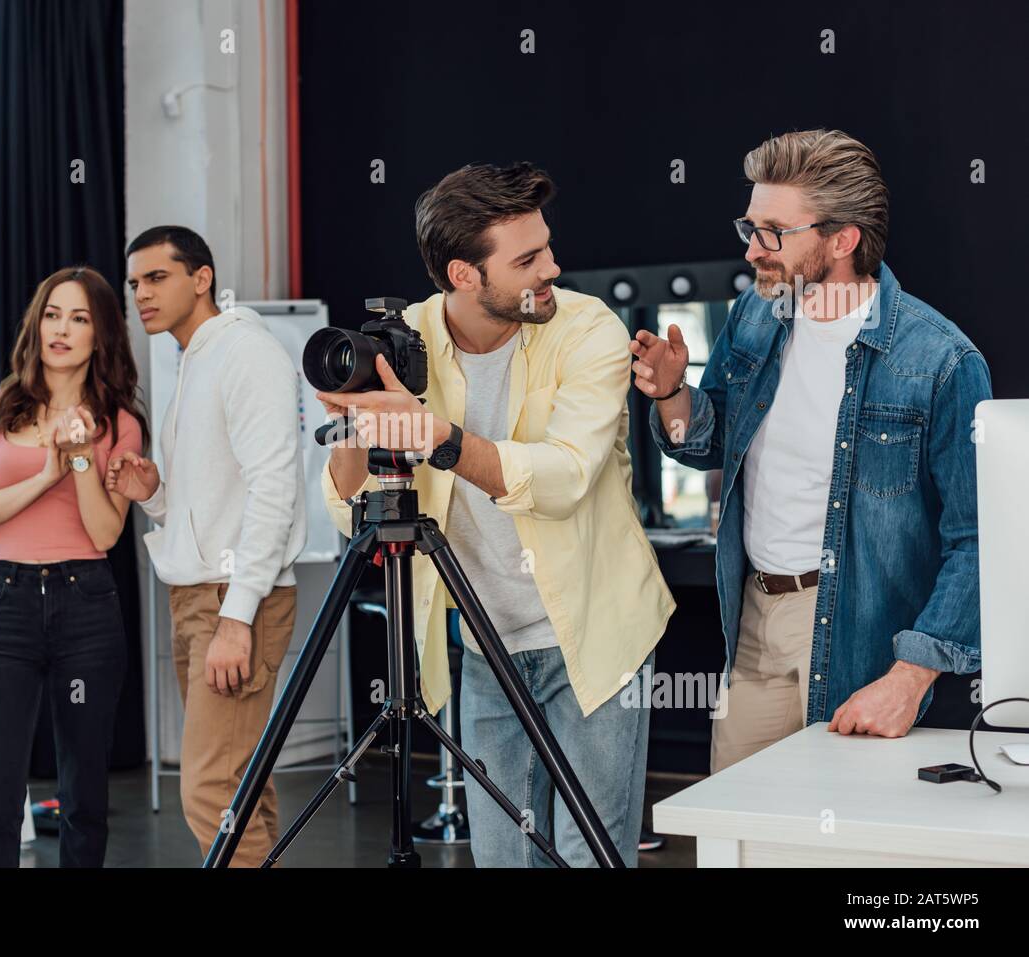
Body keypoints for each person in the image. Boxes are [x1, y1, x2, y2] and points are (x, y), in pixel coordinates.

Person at [318, 163, 674, 867]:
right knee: (503, 858)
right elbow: (344, 507)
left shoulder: (586, 329)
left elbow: (566, 476)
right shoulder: (406, 338)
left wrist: (434, 436)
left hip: (597, 642)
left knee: (588, 855)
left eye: (546, 247)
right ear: (464, 274)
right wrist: (362, 425)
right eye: (528, 259)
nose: (553, 267)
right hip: (487, 647)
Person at [631, 130, 991, 772]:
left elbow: (980, 540)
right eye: (750, 224)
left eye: (773, 231)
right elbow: (710, 444)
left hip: (859, 629)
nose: (751, 248)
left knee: (832, 842)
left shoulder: (939, 360)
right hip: (754, 620)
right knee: (738, 832)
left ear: (842, 239)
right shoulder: (754, 315)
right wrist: (671, 396)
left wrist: (910, 678)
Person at [105, 226, 306, 866]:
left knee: (209, 791)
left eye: (157, 277)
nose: (141, 293)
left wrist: (237, 616)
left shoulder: (245, 352)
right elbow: (214, 499)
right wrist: (155, 494)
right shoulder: (190, 360)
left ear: (202, 278)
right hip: (197, 597)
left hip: (231, 600)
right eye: (135, 282)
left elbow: (274, 489)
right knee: (240, 788)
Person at [0, 265, 149, 866]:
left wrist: (80, 461)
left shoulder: (120, 424)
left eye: (80, 317)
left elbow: (104, 532)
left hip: (86, 603)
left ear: (101, 336)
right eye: (52, 314)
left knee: (84, 795)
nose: (61, 329)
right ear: (36, 324)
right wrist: (46, 472)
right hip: (7, 602)